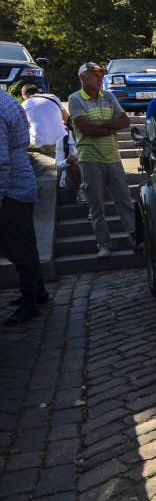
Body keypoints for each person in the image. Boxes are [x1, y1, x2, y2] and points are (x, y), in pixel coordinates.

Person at [68, 62, 136, 259]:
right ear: (83, 78)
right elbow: (86, 129)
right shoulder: (75, 99)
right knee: (96, 205)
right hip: (89, 159)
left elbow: (125, 121)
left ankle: (135, 240)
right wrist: (111, 127)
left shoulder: (108, 96)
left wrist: (102, 124)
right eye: (95, 75)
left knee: (125, 202)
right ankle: (103, 245)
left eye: (100, 75)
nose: (100, 78)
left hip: (113, 157)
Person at [0, 89, 49, 326]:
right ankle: (38, 292)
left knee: (19, 248)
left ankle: (30, 302)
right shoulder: (5, 100)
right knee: (25, 244)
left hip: (11, 189)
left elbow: (0, 160)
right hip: (20, 182)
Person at [20, 83, 67, 154]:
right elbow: (66, 118)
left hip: (38, 144)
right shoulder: (53, 97)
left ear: (24, 94)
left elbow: (23, 127)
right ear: (38, 91)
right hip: (62, 141)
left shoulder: (23, 105)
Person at [55, 117, 86, 205]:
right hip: (70, 177)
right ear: (70, 124)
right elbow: (58, 166)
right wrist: (68, 161)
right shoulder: (62, 141)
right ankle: (81, 195)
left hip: (89, 173)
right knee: (73, 164)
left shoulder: (91, 139)